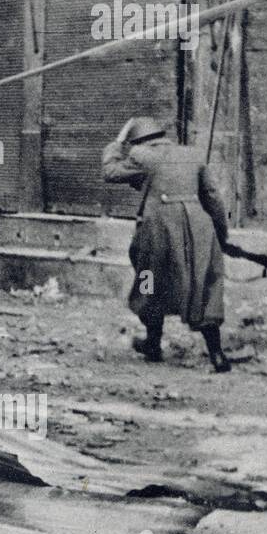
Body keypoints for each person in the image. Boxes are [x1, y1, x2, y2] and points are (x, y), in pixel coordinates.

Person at [102, 116, 231, 373]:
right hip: (199, 229)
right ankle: (217, 355)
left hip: (158, 231)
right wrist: (220, 234)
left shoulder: (141, 155)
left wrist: (118, 141)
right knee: (203, 286)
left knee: (149, 281)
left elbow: (110, 172)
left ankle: (153, 345)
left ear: (139, 142)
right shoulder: (192, 155)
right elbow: (213, 198)